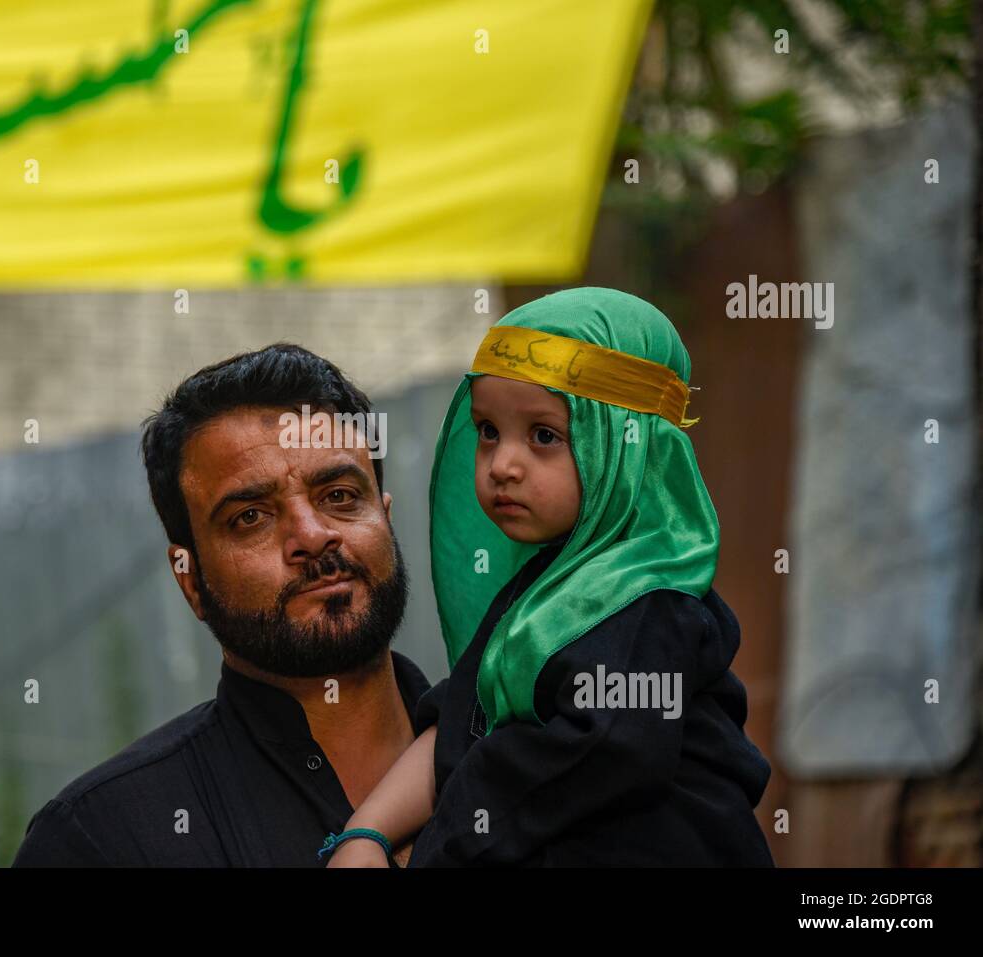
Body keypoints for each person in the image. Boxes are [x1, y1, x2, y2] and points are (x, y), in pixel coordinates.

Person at [323, 287, 775, 867]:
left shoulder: (649, 606)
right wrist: (366, 836)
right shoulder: (542, 589)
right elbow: (463, 723)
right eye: (488, 430)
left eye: (543, 436)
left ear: (626, 451)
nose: (502, 464)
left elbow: (588, 754)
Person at [14, 344, 430, 866]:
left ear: (386, 520)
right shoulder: (104, 839)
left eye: (341, 496)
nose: (313, 534)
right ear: (190, 582)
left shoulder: (518, 750)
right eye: (250, 517)